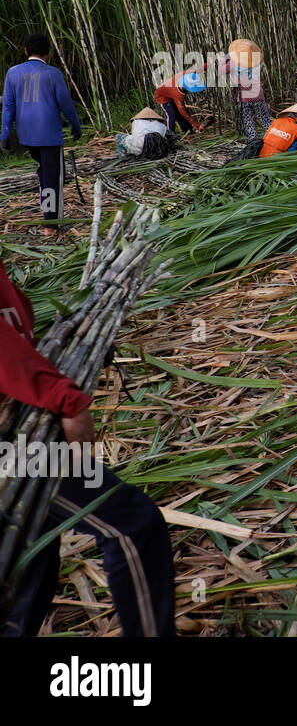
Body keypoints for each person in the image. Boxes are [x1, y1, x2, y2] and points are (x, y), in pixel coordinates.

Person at [0, 257, 175, 637]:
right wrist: (63, 396)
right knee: (131, 525)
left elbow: (14, 335)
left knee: (31, 556)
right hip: (11, 448)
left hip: (21, 431)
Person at [1, 33, 82, 237]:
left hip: (27, 135)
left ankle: (48, 214)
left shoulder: (12, 73)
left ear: (26, 51)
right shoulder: (53, 74)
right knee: (52, 179)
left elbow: (8, 107)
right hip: (49, 135)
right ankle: (50, 225)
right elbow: (66, 103)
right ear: (49, 53)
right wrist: (75, 125)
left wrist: (4, 135)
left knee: (44, 174)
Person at [224, 38, 272, 142]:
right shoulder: (256, 62)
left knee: (248, 121)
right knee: (265, 119)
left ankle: (252, 142)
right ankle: (275, 137)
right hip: (258, 95)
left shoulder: (233, 62)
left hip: (244, 97)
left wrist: (224, 58)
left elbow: (221, 70)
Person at [153, 70, 205, 135]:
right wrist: (197, 125)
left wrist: (210, 63)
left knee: (178, 112)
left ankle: (187, 130)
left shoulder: (186, 75)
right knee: (172, 113)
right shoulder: (178, 94)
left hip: (169, 92)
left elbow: (198, 69)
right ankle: (171, 134)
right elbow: (183, 112)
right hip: (162, 96)